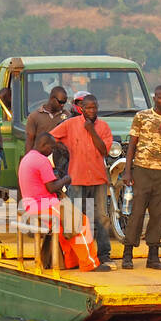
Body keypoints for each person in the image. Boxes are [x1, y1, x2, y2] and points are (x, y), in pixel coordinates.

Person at [18, 133, 104, 271]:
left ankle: (71, 262)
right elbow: (51, 187)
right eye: (51, 148)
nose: (52, 152)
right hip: (44, 205)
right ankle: (90, 264)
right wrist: (66, 179)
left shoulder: (27, 158)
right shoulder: (41, 160)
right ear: (43, 145)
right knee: (81, 222)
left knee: (65, 227)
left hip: (31, 206)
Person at [121, 84, 161, 270]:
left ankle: (153, 256)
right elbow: (132, 144)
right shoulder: (142, 116)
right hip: (141, 170)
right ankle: (127, 254)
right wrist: (127, 170)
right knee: (137, 212)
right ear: (154, 98)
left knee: (159, 213)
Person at [51, 93, 114, 265]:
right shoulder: (70, 124)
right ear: (82, 109)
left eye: (95, 107)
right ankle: (79, 256)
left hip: (98, 178)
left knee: (101, 216)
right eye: (88, 108)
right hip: (77, 177)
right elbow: (51, 138)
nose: (92, 111)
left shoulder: (104, 127)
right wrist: (64, 148)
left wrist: (91, 130)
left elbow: (103, 150)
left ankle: (104, 255)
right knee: (76, 217)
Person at [25, 85, 70, 153]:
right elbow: (30, 141)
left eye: (64, 102)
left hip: (60, 157)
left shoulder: (68, 116)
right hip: (41, 156)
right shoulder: (34, 116)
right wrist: (28, 159)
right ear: (52, 99)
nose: (62, 105)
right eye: (60, 102)